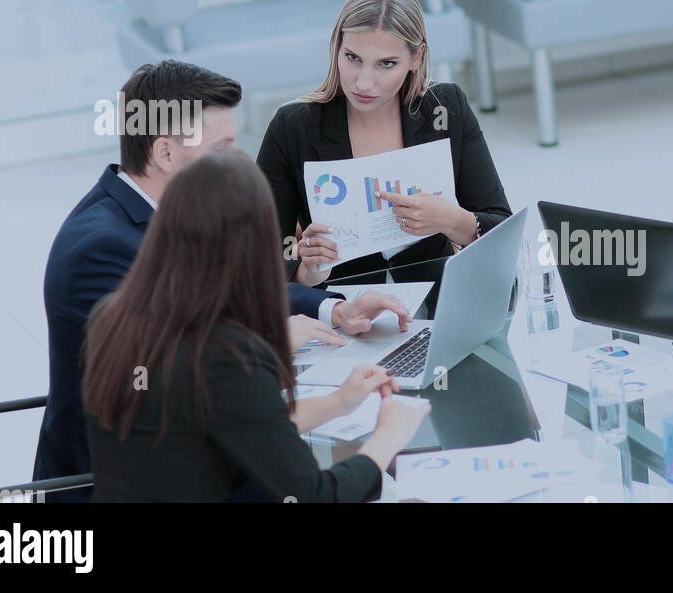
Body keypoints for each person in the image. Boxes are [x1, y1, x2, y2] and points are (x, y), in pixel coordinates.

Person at [36, 59, 412, 501]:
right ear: (166, 153)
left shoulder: (174, 216)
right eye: (222, 148)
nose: (237, 162)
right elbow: (180, 372)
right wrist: (264, 342)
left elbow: (219, 301)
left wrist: (332, 308)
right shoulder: (100, 250)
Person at [82, 151, 430, 502]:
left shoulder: (115, 314)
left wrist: (339, 402)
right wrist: (388, 437)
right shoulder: (226, 355)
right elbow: (317, 495)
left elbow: (251, 424)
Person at [259, 0, 512, 288]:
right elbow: (258, 255)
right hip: (337, 310)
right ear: (336, 47)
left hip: (437, 299)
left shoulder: (445, 109)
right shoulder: (292, 127)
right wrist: (307, 271)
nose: (364, 83)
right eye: (353, 57)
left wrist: (453, 221)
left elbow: (502, 227)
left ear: (416, 58)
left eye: (387, 64)